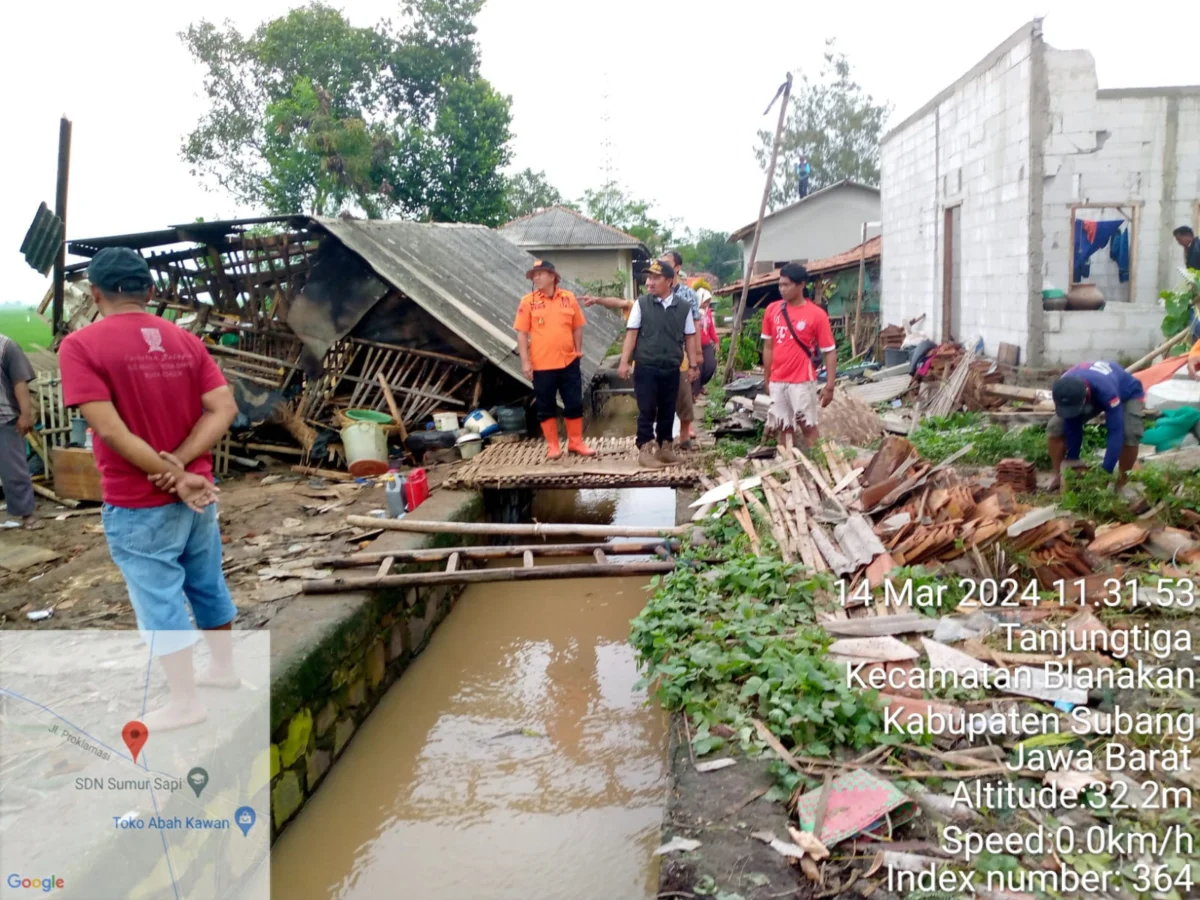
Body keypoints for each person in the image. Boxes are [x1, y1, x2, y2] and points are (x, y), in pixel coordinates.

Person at [58, 247, 241, 732]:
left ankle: (185, 702)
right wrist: (183, 466)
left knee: (159, 598)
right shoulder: (185, 340)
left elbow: (112, 432)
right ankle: (222, 671)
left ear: (95, 293)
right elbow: (223, 408)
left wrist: (173, 473)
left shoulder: (80, 346)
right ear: (151, 292)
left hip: (140, 502)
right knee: (206, 581)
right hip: (200, 493)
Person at [617, 260, 700, 468]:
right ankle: (645, 448)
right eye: (649, 278)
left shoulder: (683, 307)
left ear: (670, 281)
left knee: (667, 408)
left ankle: (665, 447)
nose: (649, 282)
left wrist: (692, 365)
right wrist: (624, 362)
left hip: (671, 367)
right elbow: (632, 334)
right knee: (646, 409)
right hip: (646, 366)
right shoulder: (641, 304)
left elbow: (690, 336)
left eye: (655, 278)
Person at [514, 259, 594, 459]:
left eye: (540, 274)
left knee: (574, 402)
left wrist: (578, 352)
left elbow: (577, 327)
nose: (536, 278)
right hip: (541, 365)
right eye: (534, 275)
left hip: (569, 362)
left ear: (552, 276)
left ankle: (575, 442)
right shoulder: (527, 302)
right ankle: (553, 446)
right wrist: (525, 362)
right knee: (545, 405)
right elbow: (522, 334)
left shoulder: (568, 298)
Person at [761, 263, 837, 451]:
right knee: (783, 426)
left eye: (787, 285)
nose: (782, 289)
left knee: (808, 426)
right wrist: (767, 378)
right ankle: (788, 468)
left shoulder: (816, 315)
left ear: (801, 285)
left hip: (802, 381)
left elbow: (830, 351)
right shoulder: (772, 310)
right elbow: (768, 346)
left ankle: (822, 464)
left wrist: (829, 386)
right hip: (778, 380)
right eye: (780, 284)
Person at [1047, 360, 1145, 492]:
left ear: (1085, 395)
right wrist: (1072, 461)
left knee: (1129, 433)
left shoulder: (1106, 391)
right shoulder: (1064, 387)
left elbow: (1116, 431)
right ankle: (1059, 476)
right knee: (1056, 426)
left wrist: (1105, 472)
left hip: (1128, 393)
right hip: (1092, 391)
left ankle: (1121, 483)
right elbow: (1072, 422)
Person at [663, 251, 703, 449]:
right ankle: (664, 436)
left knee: (684, 394)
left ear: (677, 268)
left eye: (667, 264)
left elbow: (694, 327)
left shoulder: (688, 295)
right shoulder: (653, 295)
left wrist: (695, 353)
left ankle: (685, 433)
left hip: (682, 352)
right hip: (661, 355)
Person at [0, 332, 38, 528]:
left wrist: (25, 414)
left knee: (13, 470)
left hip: (4, 418)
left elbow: (19, 382)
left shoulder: (6, 346)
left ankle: (26, 515)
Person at [696, 287, 719, 389]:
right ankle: (695, 392)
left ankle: (701, 385)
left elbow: (711, 328)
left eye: (708, 301)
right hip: (695, 345)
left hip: (706, 344)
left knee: (711, 365)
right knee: (698, 368)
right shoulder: (693, 311)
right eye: (705, 301)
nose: (706, 304)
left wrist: (716, 341)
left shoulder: (708, 312)